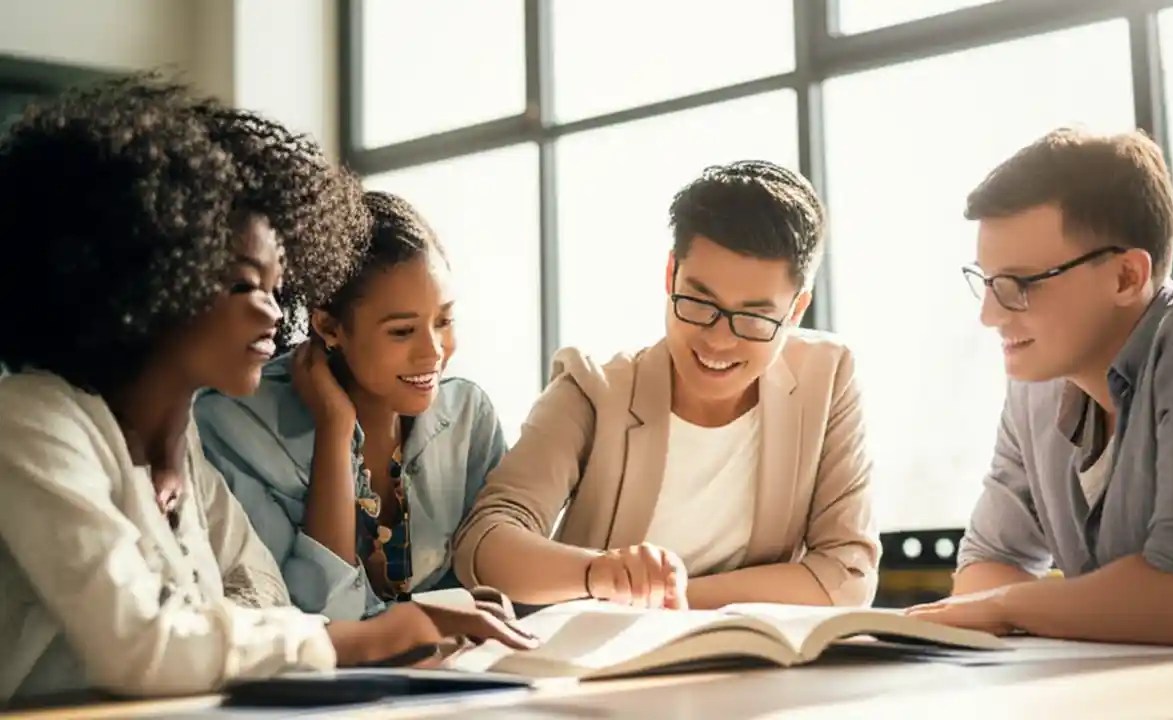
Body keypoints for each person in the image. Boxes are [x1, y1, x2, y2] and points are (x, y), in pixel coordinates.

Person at [0, 77, 532, 703]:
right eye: (246, 286)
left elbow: (264, 595)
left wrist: (233, 627)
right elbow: (141, 647)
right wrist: (354, 640)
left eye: (278, 289)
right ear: (158, 283)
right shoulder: (34, 421)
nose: (275, 316)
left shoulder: (184, 447)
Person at [906, 128, 1173, 646]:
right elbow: (988, 565)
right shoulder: (1037, 382)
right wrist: (1002, 602)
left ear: (1127, 276)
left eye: (1020, 285)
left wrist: (1006, 605)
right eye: (988, 283)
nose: (990, 315)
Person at [453, 160, 880, 610]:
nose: (718, 339)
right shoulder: (594, 389)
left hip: (750, 666)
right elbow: (485, 542)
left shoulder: (827, 378)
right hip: (596, 667)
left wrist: (669, 597)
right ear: (670, 273)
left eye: (753, 317)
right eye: (699, 301)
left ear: (795, 311)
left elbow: (846, 576)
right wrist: (597, 573)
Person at [195, 190, 506, 621]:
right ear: (328, 326)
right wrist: (334, 431)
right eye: (402, 331)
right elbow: (320, 620)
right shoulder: (233, 425)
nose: (433, 352)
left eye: (444, 321)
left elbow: (488, 586)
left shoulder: (468, 419)